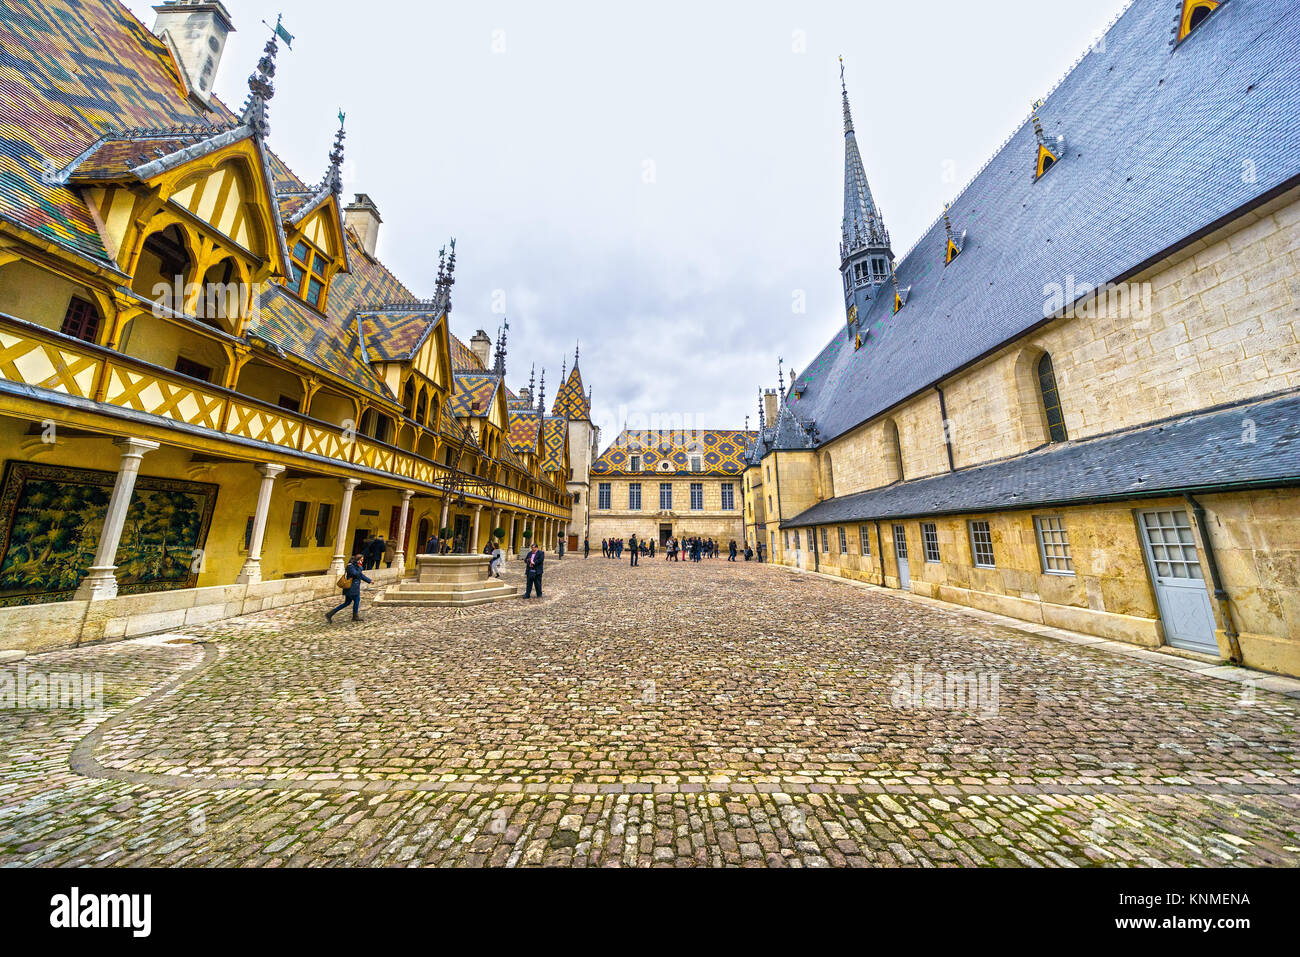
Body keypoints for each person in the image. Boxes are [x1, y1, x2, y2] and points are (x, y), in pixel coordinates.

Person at [326, 553, 372, 623]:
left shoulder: (356, 566)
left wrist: (369, 580)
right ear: (358, 560)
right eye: (361, 560)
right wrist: (360, 567)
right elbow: (355, 574)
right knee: (357, 600)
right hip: (351, 588)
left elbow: (361, 576)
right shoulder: (350, 566)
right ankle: (355, 616)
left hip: (353, 588)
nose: (362, 562)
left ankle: (330, 614)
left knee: (347, 603)